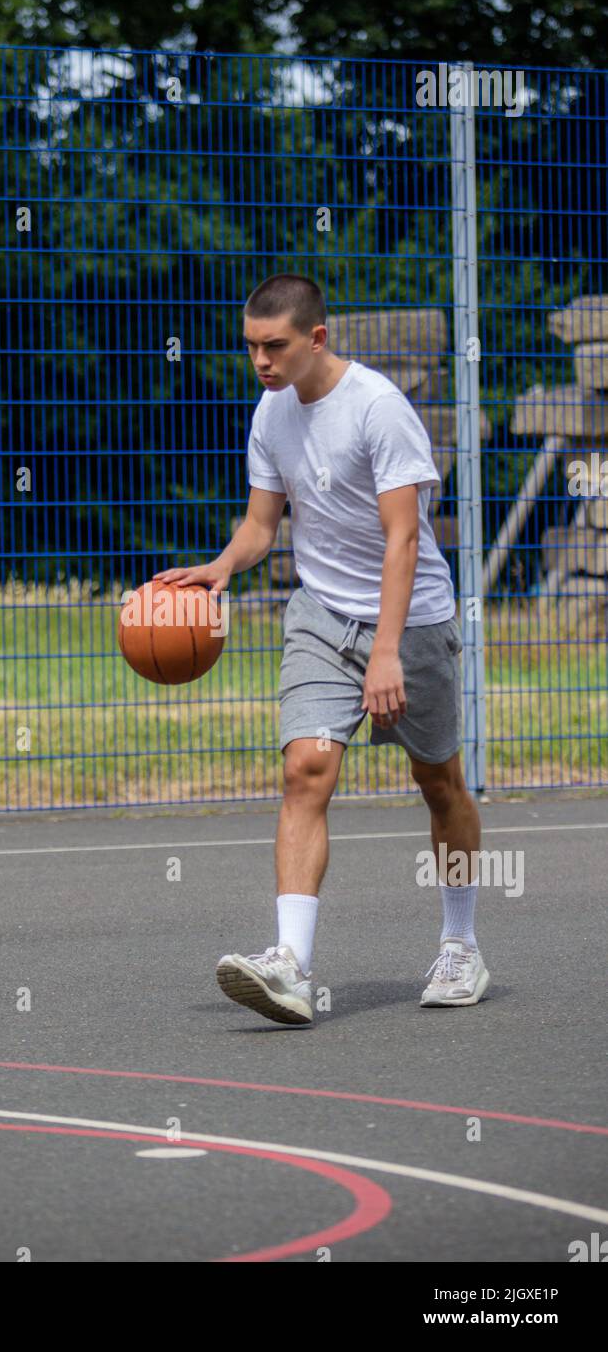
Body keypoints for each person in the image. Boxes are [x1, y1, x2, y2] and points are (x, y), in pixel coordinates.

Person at [153, 273, 489, 1027]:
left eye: (274, 346)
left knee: (440, 784)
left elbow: (404, 538)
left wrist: (389, 652)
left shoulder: (376, 408)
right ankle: (291, 966)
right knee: (305, 770)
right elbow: (263, 526)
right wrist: (221, 566)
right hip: (321, 616)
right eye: (251, 347)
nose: (261, 362)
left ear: (316, 339)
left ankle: (461, 943)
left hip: (415, 623)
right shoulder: (271, 414)